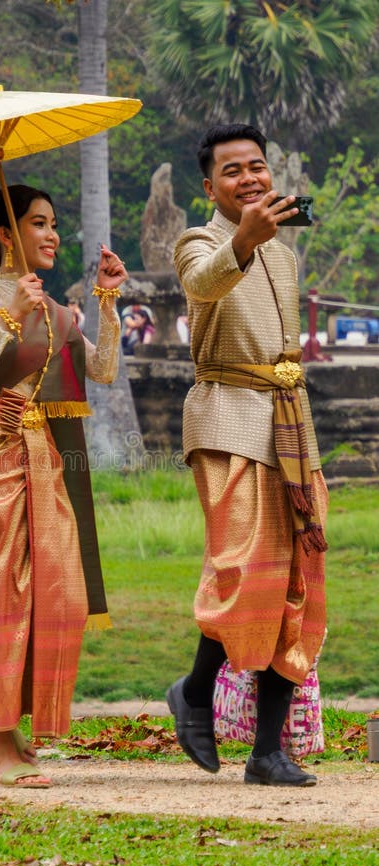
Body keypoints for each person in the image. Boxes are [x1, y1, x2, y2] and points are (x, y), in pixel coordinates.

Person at [0, 184, 125, 789]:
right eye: (38, 224)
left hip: (40, 459)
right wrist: (9, 314)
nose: (51, 235)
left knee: (54, 594)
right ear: (4, 234)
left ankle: (15, 728)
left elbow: (103, 368)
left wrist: (109, 303)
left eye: (54, 224)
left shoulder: (56, 311)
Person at [166, 124, 328, 787]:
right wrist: (242, 239)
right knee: (244, 571)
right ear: (210, 187)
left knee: (296, 582)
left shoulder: (284, 257)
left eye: (256, 167)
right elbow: (204, 286)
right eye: (232, 171)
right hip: (227, 418)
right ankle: (195, 691)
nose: (250, 178)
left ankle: (266, 752)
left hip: (290, 424)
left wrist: (261, 240)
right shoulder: (198, 243)